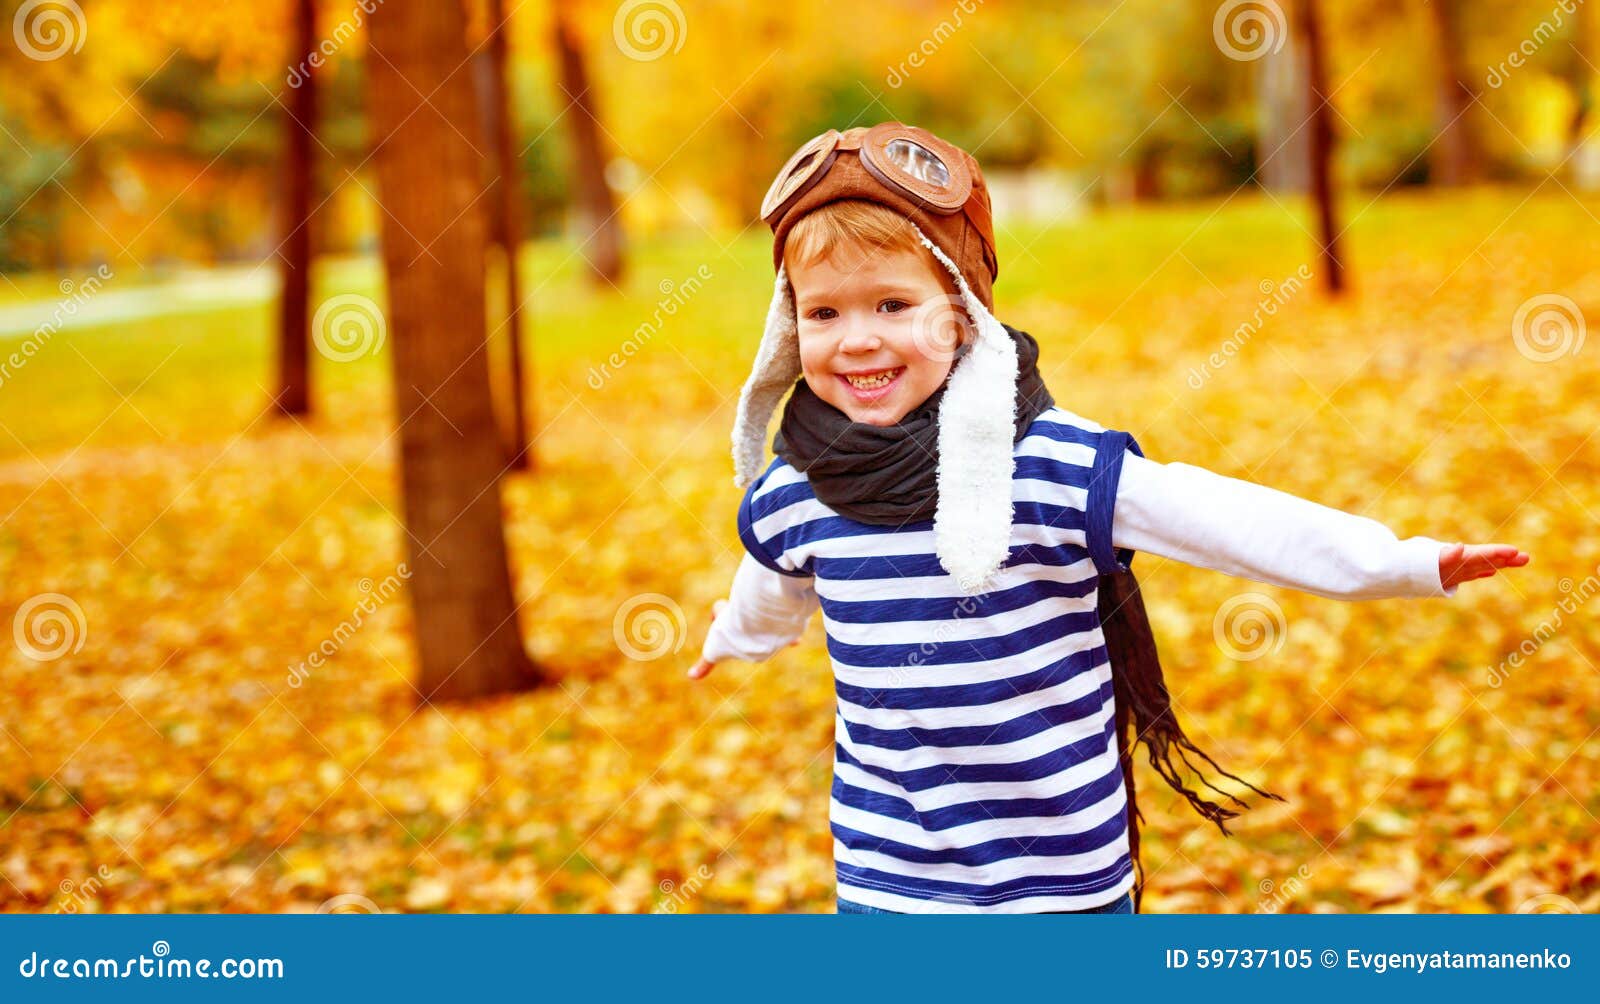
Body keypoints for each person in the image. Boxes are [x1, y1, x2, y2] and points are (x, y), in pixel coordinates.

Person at [688, 122, 1529, 914]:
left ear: (964, 311)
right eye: (824, 312)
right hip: (892, 874)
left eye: (893, 306)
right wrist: (732, 635)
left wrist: (1402, 564)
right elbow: (770, 592)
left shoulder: (1056, 468)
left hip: (1062, 871)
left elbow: (1226, 519)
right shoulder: (799, 490)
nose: (857, 340)